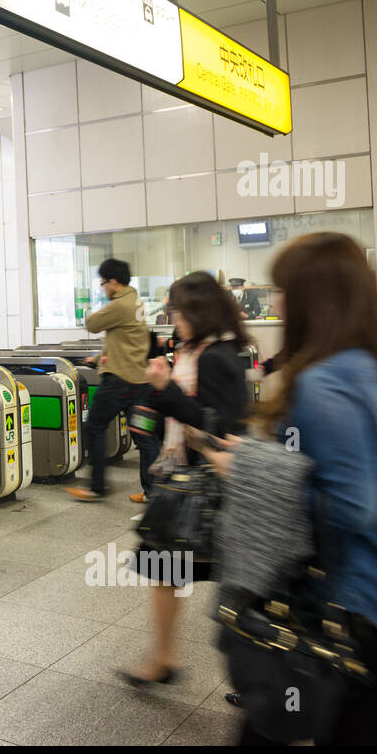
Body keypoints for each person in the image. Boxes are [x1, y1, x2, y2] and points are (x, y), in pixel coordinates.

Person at [204, 232, 377, 745]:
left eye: (282, 289)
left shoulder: (323, 382)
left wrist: (249, 470)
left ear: (311, 298)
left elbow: (356, 505)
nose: (274, 301)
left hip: (349, 613)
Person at [119, 272, 250, 688]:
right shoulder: (202, 350)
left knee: (235, 581)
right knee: (167, 569)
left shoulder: (216, 357)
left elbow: (216, 424)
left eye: (177, 310)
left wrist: (166, 389)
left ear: (198, 310)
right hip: (187, 479)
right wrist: (159, 393)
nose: (173, 319)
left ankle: (254, 677)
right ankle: (163, 658)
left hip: (207, 486)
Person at [64, 258, 159, 503]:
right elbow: (126, 340)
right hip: (140, 381)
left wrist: (90, 307)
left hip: (119, 382)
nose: (103, 288)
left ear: (113, 282)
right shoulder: (135, 301)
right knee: (144, 437)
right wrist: (97, 359)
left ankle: (96, 487)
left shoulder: (119, 305)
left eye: (103, 283)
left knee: (93, 427)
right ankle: (154, 491)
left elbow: (92, 324)